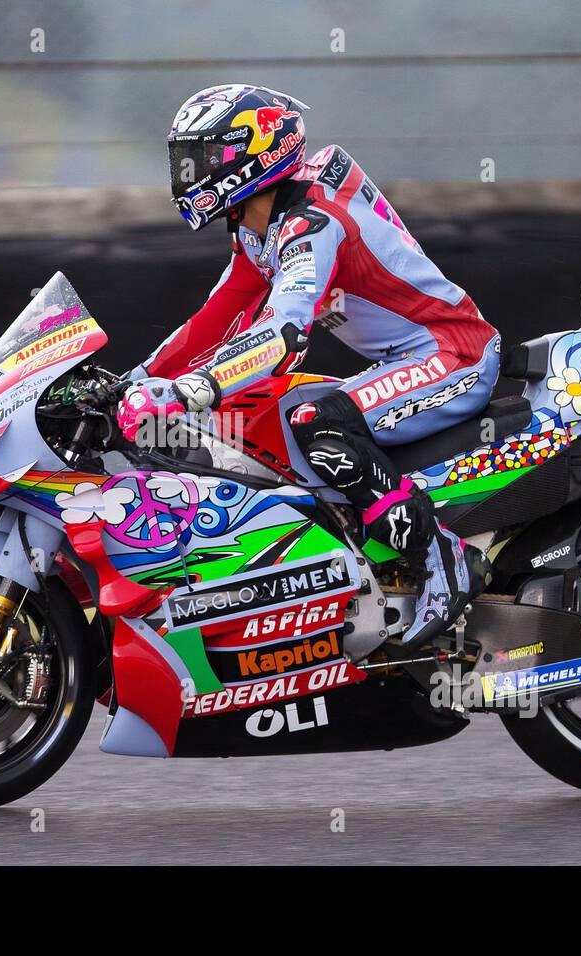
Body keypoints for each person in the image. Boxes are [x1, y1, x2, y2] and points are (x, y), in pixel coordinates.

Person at [117, 83, 498, 647]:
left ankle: (440, 560)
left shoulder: (312, 223)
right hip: (406, 358)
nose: (188, 173)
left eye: (202, 157)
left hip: (452, 352)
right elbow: (214, 318)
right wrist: (138, 378)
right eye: (184, 158)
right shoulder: (258, 224)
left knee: (314, 421)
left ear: (253, 152)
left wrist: (193, 388)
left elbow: (283, 333)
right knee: (270, 414)